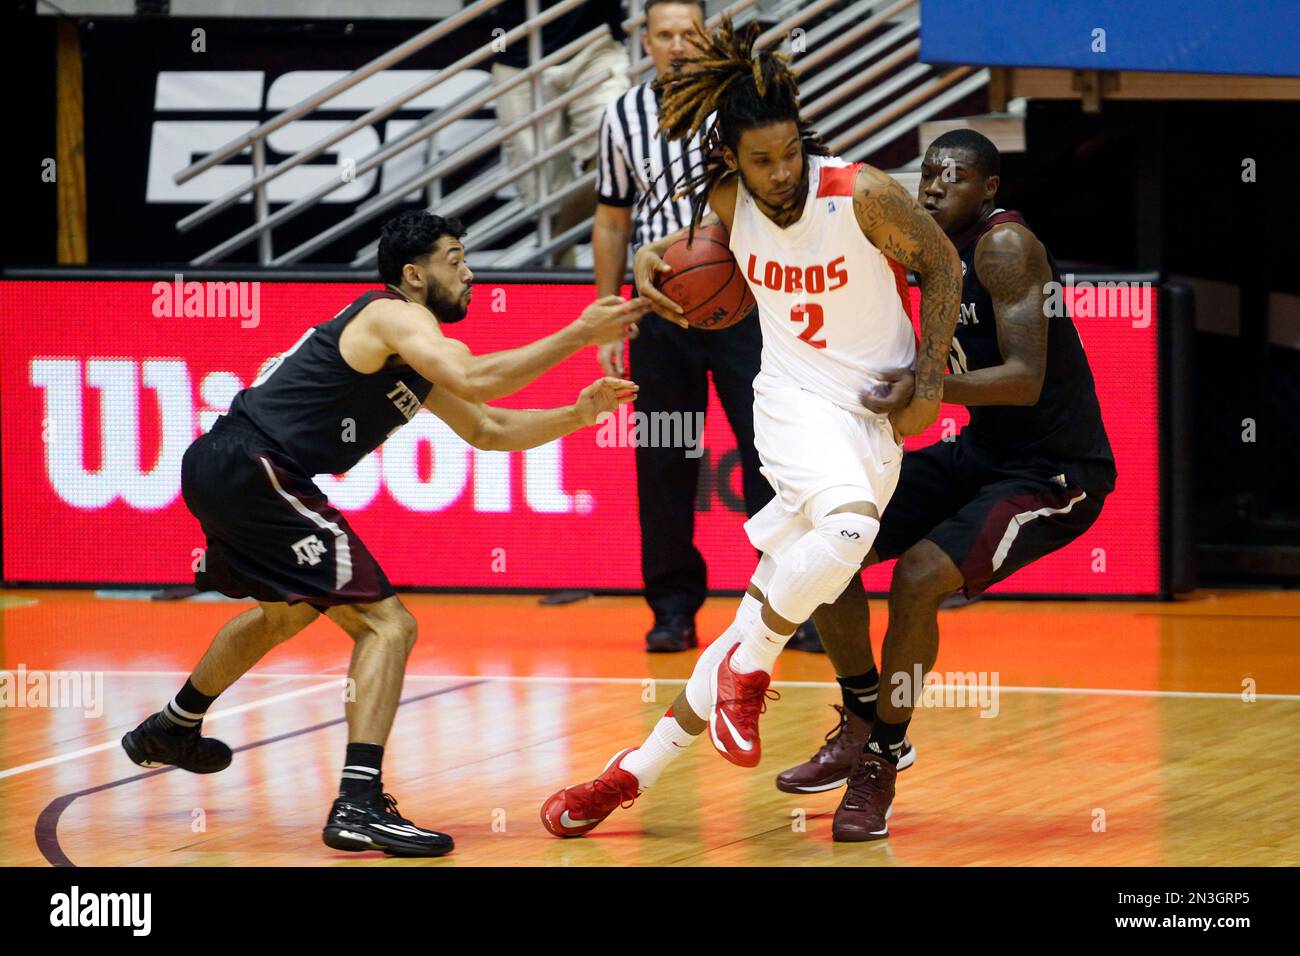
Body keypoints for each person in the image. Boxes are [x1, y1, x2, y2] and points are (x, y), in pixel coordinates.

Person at [539, 18, 962, 838]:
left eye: (789, 153)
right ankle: (752, 671)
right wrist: (649, 261)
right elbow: (677, 251)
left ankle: (625, 774)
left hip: (872, 417)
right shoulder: (728, 199)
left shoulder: (863, 192)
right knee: (846, 530)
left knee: (758, 608)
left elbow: (940, 262)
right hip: (791, 400)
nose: (781, 175)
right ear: (731, 157)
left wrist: (931, 382)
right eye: (761, 160)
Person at [121, 210, 648, 858]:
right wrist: (576, 334)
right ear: (413, 273)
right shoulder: (393, 315)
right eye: (454, 258)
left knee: (284, 616)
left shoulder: (410, 352)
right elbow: (478, 377)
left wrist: (577, 412)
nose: (470, 271)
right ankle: (359, 802)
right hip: (254, 463)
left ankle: (175, 725)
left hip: (228, 465)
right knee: (389, 625)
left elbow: (489, 429)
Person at [776, 129, 1118, 841]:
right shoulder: (923, 242)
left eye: (953, 177)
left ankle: (881, 760)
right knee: (830, 539)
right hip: (982, 452)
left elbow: (1023, 381)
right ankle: (865, 712)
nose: (933, 186)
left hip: (1054, 469)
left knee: (918, 576)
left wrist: (926, 385)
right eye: (928, 173)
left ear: (989, 188)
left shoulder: (1005, 249)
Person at [594, 0, 821, 653]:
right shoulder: (622, 116)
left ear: (707, 36)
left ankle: (790, 603)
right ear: (645, 42)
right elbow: (611, 219)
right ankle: (671, 609)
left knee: (768, 453)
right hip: (661, 307)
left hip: (743, 301)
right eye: (664, 35)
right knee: (664, 459)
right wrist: (610, 316)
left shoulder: (739, 107)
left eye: (688, 33)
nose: (677, 46)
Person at [491, 0, 631, 266]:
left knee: (618, 147)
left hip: (595, 43)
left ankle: (559, 242)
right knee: (544, 191)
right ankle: (562, 277)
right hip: (517, 53)